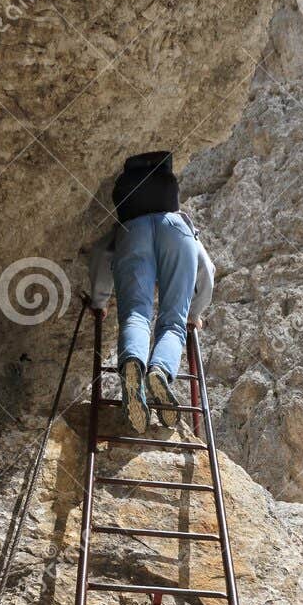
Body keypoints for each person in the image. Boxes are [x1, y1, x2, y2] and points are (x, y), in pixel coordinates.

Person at [87, 151, 215, 433]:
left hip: (133, 233)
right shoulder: (179, 218)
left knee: (135, 316)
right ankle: (159, 371)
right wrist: (194, 312)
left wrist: (99, 300)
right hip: (177, 235)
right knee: (173, 324)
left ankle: (133, 363)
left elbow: (99, 254)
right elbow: (207, 268)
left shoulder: (125, 222)